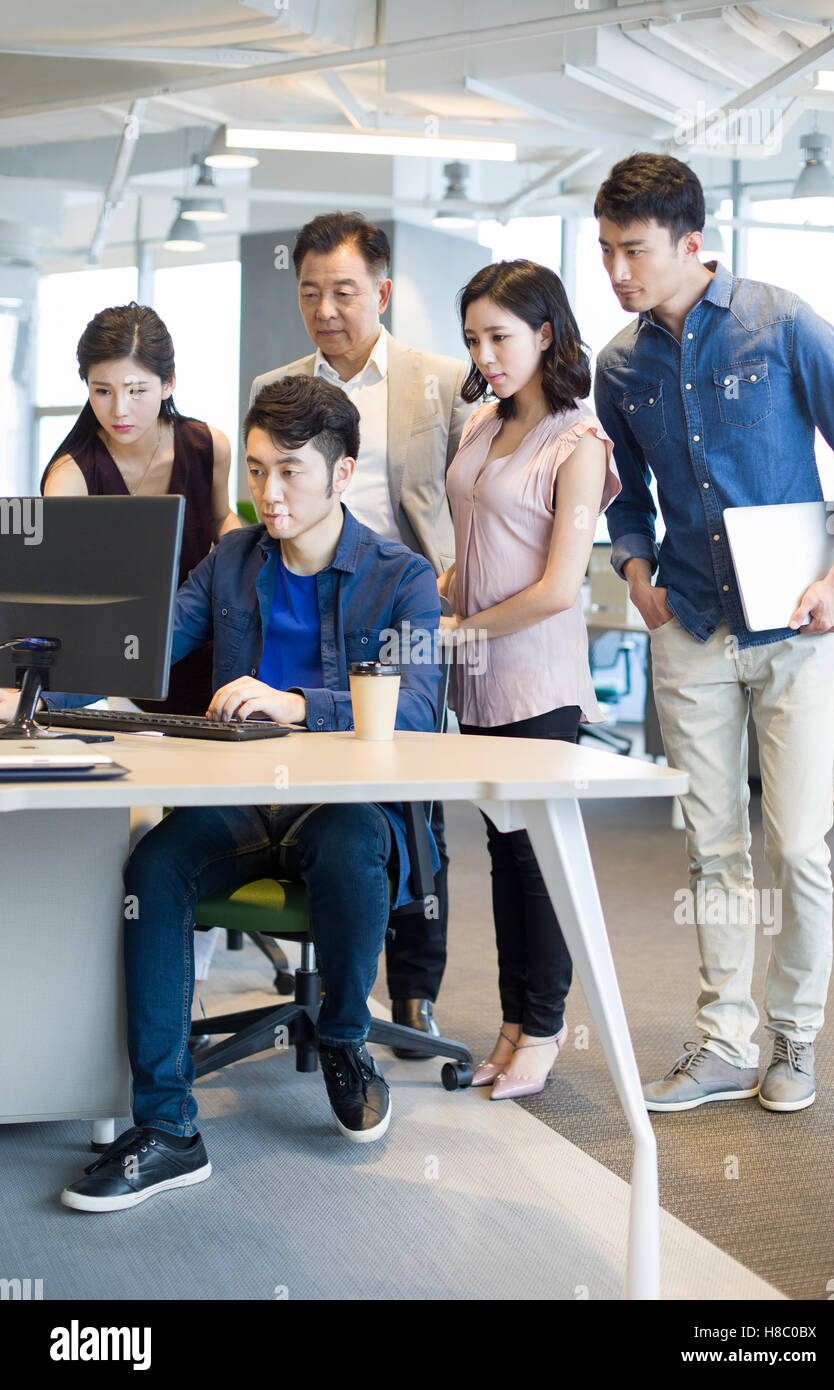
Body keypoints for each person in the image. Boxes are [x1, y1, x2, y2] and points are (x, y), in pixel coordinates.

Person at [59, 374, 442, 1212]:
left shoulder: (401, 577)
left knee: (350, 853)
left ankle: (343, 1037)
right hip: (239, 801)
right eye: (259, 470)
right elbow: (147, 646)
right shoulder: (232, 559)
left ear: (342, 475)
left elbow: (416, 706)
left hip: (341, 805)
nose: (268, 493)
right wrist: (47, 674)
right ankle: (167, 1129)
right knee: (154, 869)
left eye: (291, 472)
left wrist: (298, 704)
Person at [592, 153, 834, 1114]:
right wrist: (635, 572)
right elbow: (624, 491)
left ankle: (795, 1040)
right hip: (694, 621)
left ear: (691, 242)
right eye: (605, 250)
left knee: (795, 844)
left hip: (796, 621)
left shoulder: (781, 322)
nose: (618, 270)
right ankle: (722, 1039)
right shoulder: (620, 365)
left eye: (634, 250)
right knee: (714, 848)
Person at [250, 211, 474, 1053]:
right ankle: (332, 980)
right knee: (318, 796)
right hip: (312, 609)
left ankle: (414, 994)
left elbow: (470, 489)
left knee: (413, 802)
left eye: (344, 291)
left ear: (380, 290)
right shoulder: (279, 383)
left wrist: (452, 581)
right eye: (310, 292)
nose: (327, 308)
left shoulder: (437, 380)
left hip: (402, 607)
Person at [441, 260, 619, 1099]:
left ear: (546, 333)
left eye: (500, 336)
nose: (486, 353)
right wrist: (435, 600)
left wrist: (458, 630)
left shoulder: (578, 443)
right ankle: (514, 1022)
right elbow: (471, 549)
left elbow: (556, 587)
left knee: (537, 859)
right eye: (473, 338)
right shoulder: (480, 424)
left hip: (537, 681)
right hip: (473, 677)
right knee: (503, 850)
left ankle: (543, 1030)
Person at [39, 301, 241, 1035]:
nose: (118, 408)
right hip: (108, 684)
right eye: (100, 390)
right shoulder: (71, 473)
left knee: (202, 830)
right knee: (130, 836)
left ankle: (186, 984)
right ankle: (125, 998)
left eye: (135, 389)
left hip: (205, 670)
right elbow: (64, 610)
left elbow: (230, 538)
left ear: (169, 382)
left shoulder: (208, 445)